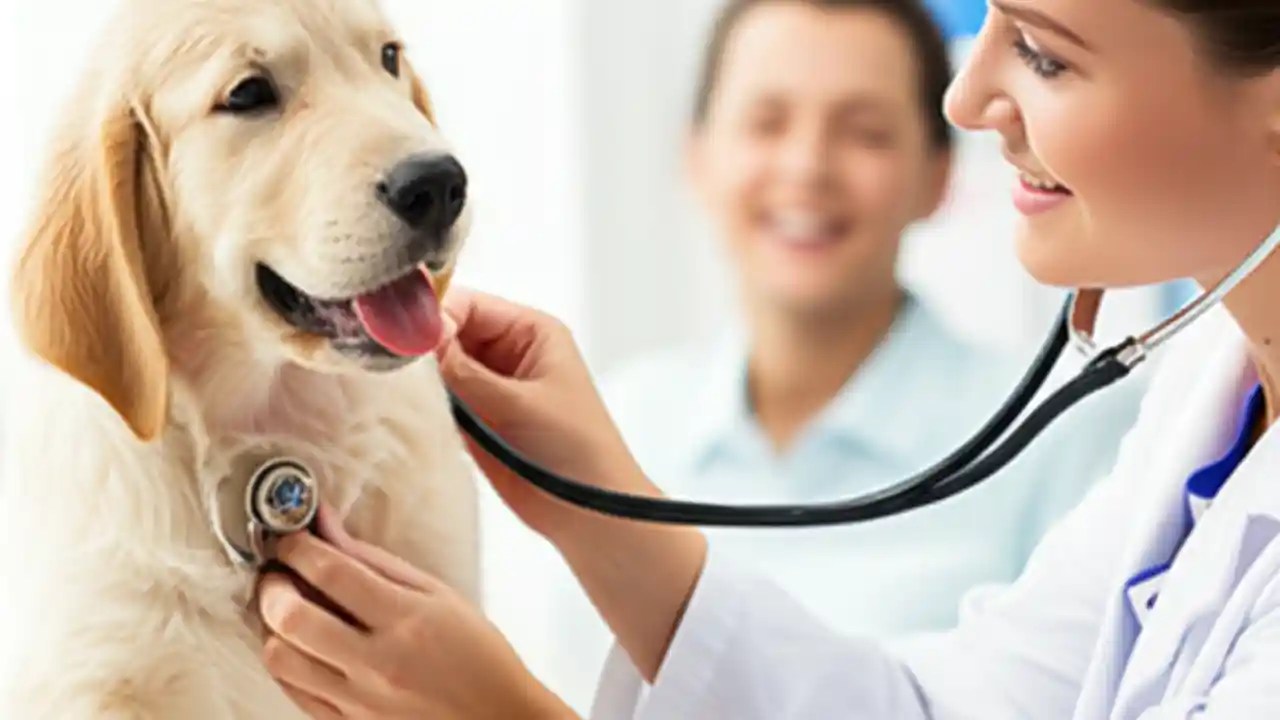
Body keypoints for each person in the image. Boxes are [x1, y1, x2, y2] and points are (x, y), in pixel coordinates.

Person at [254, 0, 1280, 718]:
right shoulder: (1201, 402)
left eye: (1045, 56)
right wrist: (598, 504)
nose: (964, 101)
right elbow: (930, 713)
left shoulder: (1093, 431)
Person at [546, 0, 1142, 708]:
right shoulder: (619, 421)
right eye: (767, 123)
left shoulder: (1071, 435)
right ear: (696, 154)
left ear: (938, 173)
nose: (807, 167)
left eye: (865, 134)